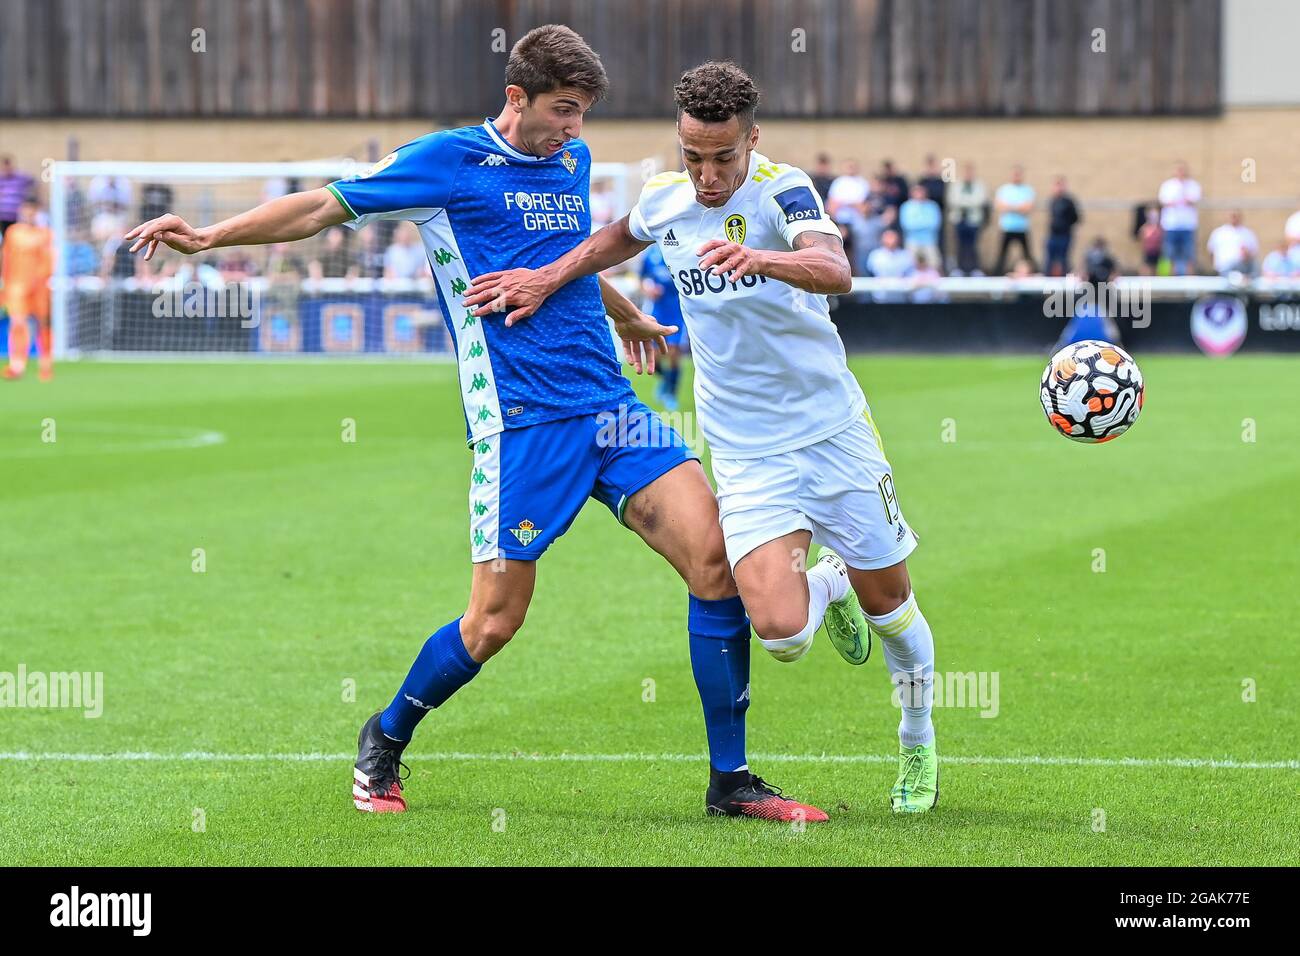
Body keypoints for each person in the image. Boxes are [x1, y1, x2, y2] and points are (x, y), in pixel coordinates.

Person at [125, 24, 825, 823]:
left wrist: (626, 311)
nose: (575, 129)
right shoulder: (445, 162)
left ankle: (730, 781)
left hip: (610, 407)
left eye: (585, 113)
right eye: (564, 109)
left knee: (714, 560)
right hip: (522, 422)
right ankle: (385, 737)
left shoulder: (571, 159)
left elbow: (565, 257)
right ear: (516, 96)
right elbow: (322, 206)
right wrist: (211, 236)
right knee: (494, 622)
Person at [469, 61, 941, 813]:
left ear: (752, 140)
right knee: (782, 631)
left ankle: (917, 743)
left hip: (831, 433)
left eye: (724, 157)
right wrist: (544, 279)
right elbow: (609, 243)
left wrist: (766, 259)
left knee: (895, 612)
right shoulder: (667, 198)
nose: (709, 174)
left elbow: (835, 266)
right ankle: (830, 583)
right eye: (694, 156)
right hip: (748, 451)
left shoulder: (784, 190)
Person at [2, 199, 54, 381]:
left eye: (33, 211)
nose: (29, 214)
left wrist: (42, 278)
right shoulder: (13, 232)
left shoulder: (46, 234)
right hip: (16, 286)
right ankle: (17, 365)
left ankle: (46, 364)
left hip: (40, 287)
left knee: (43, 324)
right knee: (17, 323)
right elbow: (5, 259)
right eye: (27, 210)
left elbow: (49, 261)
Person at [639, 242, 687, 411]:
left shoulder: (679, 250)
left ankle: (671, 394)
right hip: (656, 309)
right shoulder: (650, 254)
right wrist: (648, 289)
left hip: (676, 308)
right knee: (655, 357)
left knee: (673, 352)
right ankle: (666, 381)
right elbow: (643, 278)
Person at [1158, 160, 1201, 275]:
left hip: (1188, 225)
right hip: (1171, 225)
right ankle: (1171, 284)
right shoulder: (1168, 185)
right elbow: (1164, 201)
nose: (1180, 172)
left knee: (1189, 256)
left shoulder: (1193, 185)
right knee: (1169, 255)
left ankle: (1190, 288)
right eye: (1178, 170)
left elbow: (1193, 200)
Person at [994, 165, 1035, 275]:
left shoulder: (1027, 190)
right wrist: (1018, 207)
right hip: (1007, 227)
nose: (1016, 177)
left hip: (1022, 227)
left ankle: (1031, 276)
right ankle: (997, 277)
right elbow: (1000, 206)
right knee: (1002, 256)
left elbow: (1027, 208)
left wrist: (1010, 207)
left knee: (1027, 256)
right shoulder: (1004, 189)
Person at [948, 163, 987, 275]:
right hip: (959, 219)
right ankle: (960, 269)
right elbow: (953, 200)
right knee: (960, 245)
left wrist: (964, 202)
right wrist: (969, 202)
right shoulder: (956, 185)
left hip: (973, 219)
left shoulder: (979, 185)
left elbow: (980, 201)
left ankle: (974, 269)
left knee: (973, 245)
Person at [898, 183, 942, 269]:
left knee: (935, 265)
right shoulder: (906, 206)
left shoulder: (932, 206)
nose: (919, 194)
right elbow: (907, 225)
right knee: (909, 266)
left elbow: (934, 224)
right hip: (912, 241)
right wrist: (924, 224)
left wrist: (917, 224)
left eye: (921, 192)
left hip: (929, 240)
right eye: (916, 192)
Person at [1044, 176, 1080, 277]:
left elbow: (1076, 218)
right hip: (1053, 235)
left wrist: (1065, 224)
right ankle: (1047, 278)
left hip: (1064, 235)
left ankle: (1064, 278)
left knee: (1063, 259)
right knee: (1049, 260)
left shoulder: (1068, 201)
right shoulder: (1053, 200)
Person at [1205, 210, 1258, 277]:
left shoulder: (1248, 233)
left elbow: (1253, 253)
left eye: (1236, 216)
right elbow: (1211, 252)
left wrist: (1247, 254)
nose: (1234, 218)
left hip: (1241, 270)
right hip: (1221, 269)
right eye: (1232, 216)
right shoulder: (1219, 232)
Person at [1137, 204, 1163, 276]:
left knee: (1157, 268)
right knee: (1146, 266)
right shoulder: (1145, 228)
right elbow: (1142, 238)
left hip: (1158, 252)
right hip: (1148, 251)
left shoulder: (1160, 228)